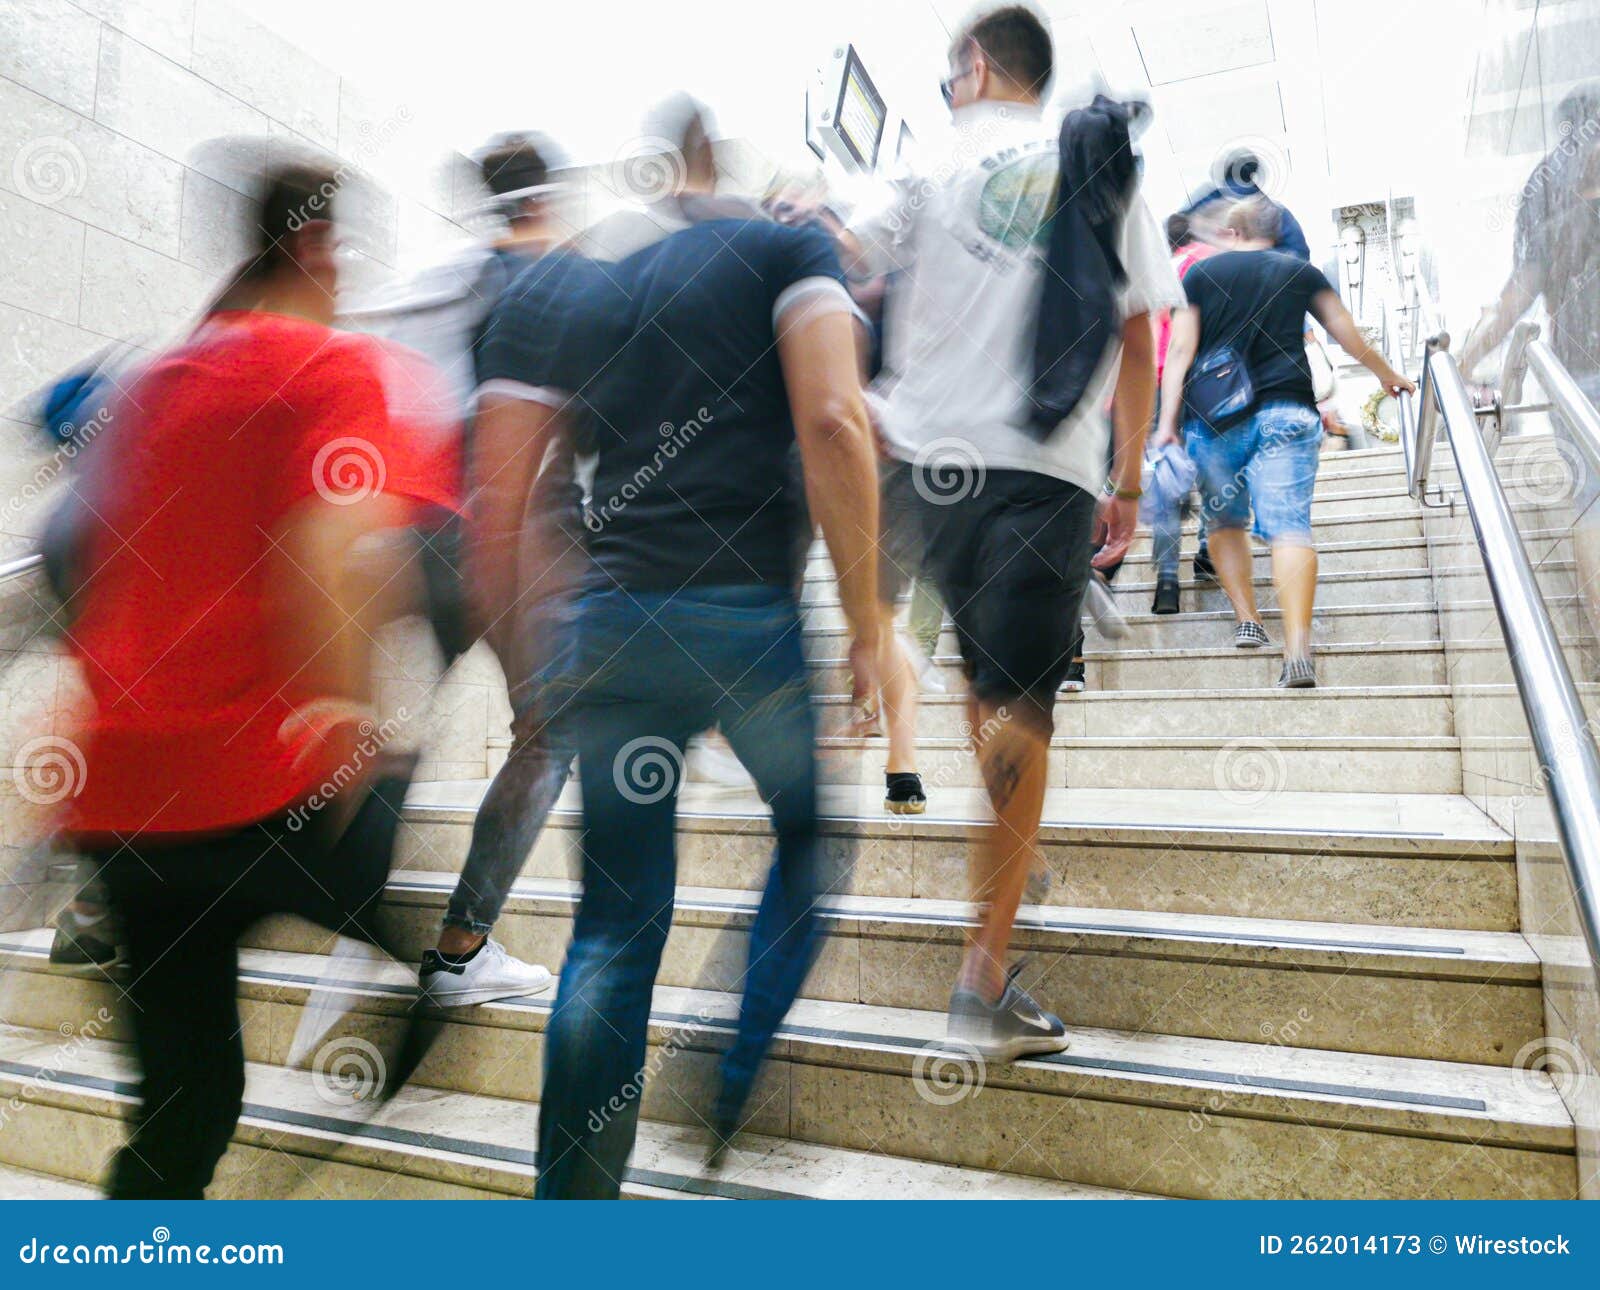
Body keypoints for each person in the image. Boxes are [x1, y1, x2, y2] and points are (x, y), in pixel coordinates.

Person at [473, 109, 881, 1197]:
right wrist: (872, 629)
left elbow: (512, 488)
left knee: (610, 931)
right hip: (745, 617)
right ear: (721, 167)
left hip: (613, 625)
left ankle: (571, 1217)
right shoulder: (783, 247)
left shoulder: (586, 283)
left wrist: (540, 649)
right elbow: (835, 420)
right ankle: (733, 1056)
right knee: (808, 836)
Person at [58, 160, 445, 1197]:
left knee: (184, 1107)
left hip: (124, 797)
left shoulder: (154, 384)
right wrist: (349, 706)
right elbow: (338, 546)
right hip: (256, 784)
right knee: (388, 863)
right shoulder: (331, 370)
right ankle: (411, 972)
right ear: (314, 248)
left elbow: (90, 552)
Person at [845, 5, 1182, 1058]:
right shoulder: (1097, 153)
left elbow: (836, 266)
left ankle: (1008, 844)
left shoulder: (922, 161)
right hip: (1044, 464)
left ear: (975, 65)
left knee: (980, 674)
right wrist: (1127, 476)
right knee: (1023, 704)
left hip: (925, 464)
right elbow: (1138, 331)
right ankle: (980, 983)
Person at [350, 132, 582, 1008]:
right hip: (495, 537)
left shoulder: (449, 277)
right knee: (551, 730)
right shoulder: (543, 280)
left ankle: (307, 886)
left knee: (379, 731)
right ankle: (458, 949)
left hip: (400, 523)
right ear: (543, 200)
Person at [1158, 198, 1414, 687]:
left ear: (1233, 231)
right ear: (1275, 232)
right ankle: (1297, 650)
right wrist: (1387, 376)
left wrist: (1167, 422)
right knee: (1290, 528)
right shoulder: (1300, 271)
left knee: (1226, 520)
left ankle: (1248, 621)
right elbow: (1347, 336)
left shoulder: (1198, 277)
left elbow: (1181, 351)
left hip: (1213, 419)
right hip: (1288, 412)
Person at [1145, 211, 1218, 614]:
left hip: (1159, 386)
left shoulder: (1158, 272)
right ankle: (1207, 550)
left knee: (1166, 484)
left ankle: (1167, 582)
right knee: (1213, 469)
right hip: (1209, 380)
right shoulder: (1211, 258)